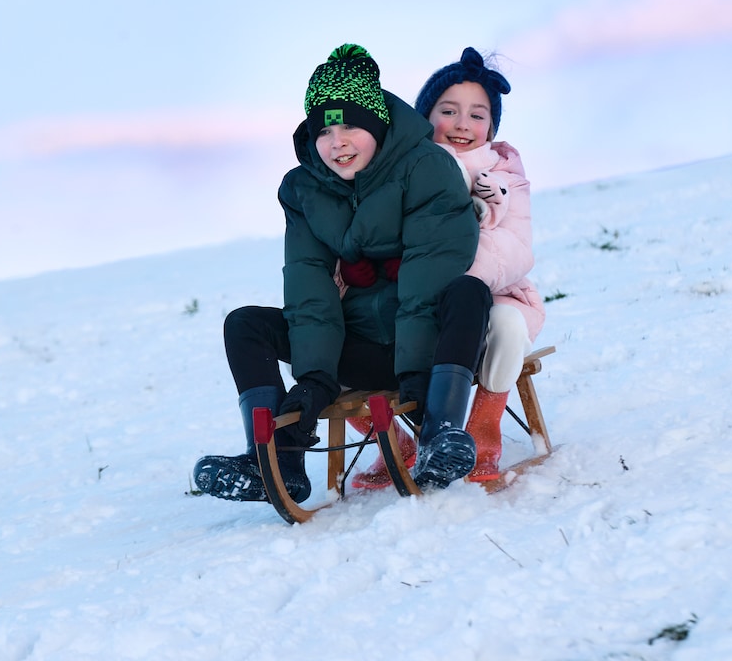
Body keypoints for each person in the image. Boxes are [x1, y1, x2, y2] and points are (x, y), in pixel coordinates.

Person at [192, 43, 490, 503]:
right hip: (355, 348)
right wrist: (314, 381)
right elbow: (309, 288)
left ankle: (439, 435)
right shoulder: (302, 190)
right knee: (246, 323)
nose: (338, 142)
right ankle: (276, 458)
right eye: (324, 129)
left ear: (376, 124)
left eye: (351, 124)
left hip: (430, 347)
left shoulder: (427, 168)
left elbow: (430, 273)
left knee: (468, 292)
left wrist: (415, 371)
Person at [347, 47, 545, 487]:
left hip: (485, 298)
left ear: (491, 127)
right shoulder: (394, 173)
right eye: (449, 110)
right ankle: (399, 446)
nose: (461, 124)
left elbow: (515, 251)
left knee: (508, 324)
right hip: (408, 303)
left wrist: (451, 271)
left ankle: (481, 432)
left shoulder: (504, 178)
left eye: (477, 115)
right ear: (425, 115)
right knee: (331, 337)